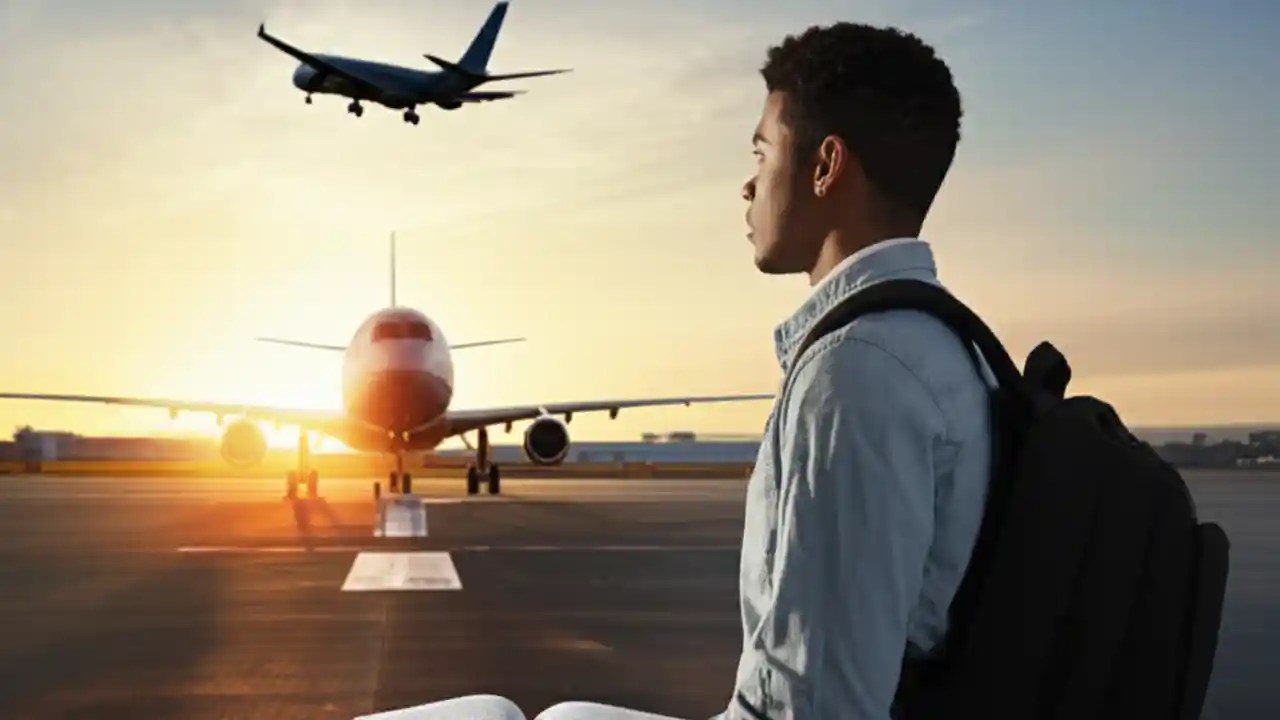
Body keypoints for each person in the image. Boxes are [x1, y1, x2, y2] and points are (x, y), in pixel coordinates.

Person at [357, 18, 991, 720]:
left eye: (762, 151)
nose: (747, 186)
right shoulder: (948, 343)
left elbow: (814, 709)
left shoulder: (854, 374)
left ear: (825, 166)